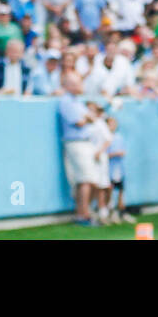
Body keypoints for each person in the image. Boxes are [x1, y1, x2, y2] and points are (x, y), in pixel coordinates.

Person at [57, 70, 99, 226]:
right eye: (73, 83)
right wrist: (87, 118)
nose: (78, 86)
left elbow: (89, 118)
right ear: (66, 85)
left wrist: (87, 118)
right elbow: (80, 122)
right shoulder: (66, 101)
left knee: (89, 180)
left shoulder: (77, 101)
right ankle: (83, 215)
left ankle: (85, 212)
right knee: (85, 180)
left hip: (85, 142)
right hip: (76, 143)